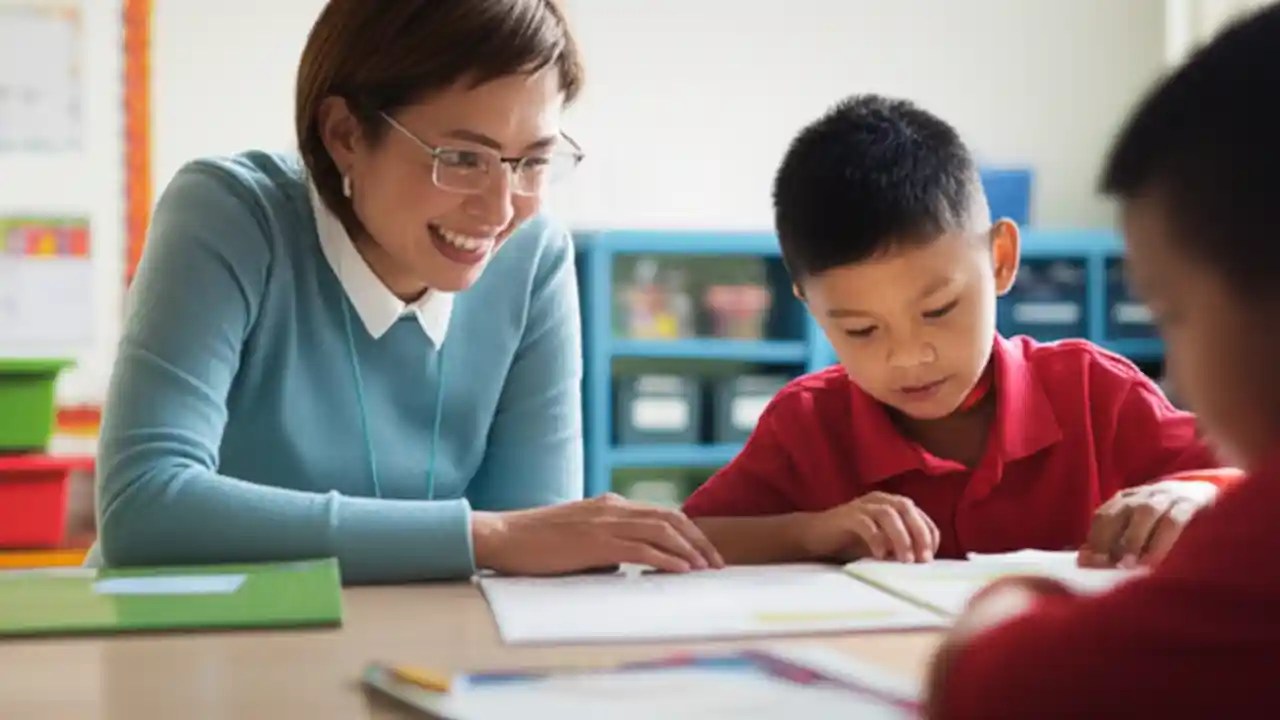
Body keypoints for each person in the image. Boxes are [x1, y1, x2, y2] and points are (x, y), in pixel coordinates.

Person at [90, 0, 721, 584]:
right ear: (345, 134)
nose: (501, 209)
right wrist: (487, 537)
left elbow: (539, 540)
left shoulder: (533, 258)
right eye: (462, 158)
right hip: (194, 647)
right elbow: (144, 505)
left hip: (410, 648)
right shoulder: (230, 214)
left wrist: (513, 541)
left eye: (532, 162)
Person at [682, 94, 1235, 567]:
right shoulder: (806, 426)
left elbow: (1255, 483)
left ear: (1000, 258)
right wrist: (809, 532)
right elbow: (686, 539)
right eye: (861, 330)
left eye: (939, 309)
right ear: (810, 307)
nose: (908, 356)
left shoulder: (1096, 395)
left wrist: (1195, 493)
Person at [925, 6, 1280, 716]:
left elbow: (993, 688)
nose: (1177, 374)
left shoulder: (1095, 384)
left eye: (1169, 311)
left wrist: (1013, 599)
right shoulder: (807, 411)